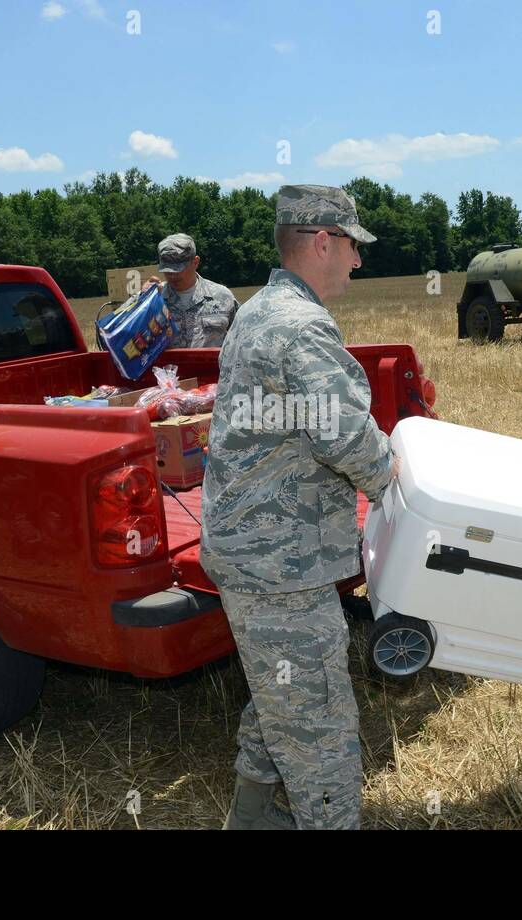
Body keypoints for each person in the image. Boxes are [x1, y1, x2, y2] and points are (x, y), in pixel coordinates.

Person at [200, 185, 395, 829]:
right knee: (320, 729)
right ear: (323, 242)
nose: (358, 261)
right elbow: (345, 434)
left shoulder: (258, 310)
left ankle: (253, 817)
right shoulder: (301, 325)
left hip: (258, 553)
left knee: (280, 692)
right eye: (353, 246)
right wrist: (396, 478)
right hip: (278, 564)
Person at [142, 233, 239, 348]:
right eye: (167, 270)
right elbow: (127, 336)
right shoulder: (154, 299)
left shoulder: (222, 296)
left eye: (178, 269)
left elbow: (243, 335)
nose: (172, 275)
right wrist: (141, 301)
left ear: (195, 262)